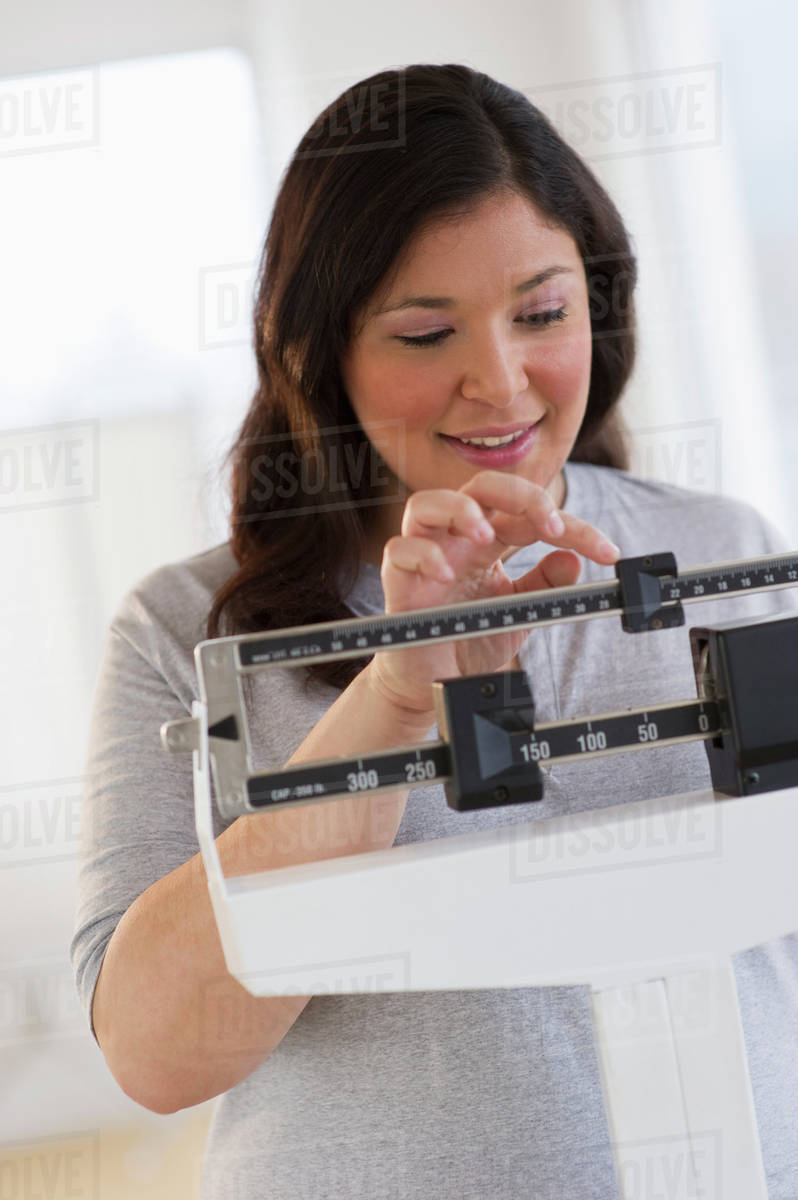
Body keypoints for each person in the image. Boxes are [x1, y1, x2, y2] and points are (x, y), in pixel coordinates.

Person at [71, 64, 798, 1198]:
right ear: (317, 351)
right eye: (424, 334)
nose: (500, 382)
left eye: (544, 314)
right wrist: (394, 696)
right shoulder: (183, 629)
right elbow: (155, 1053)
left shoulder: (724, 555)